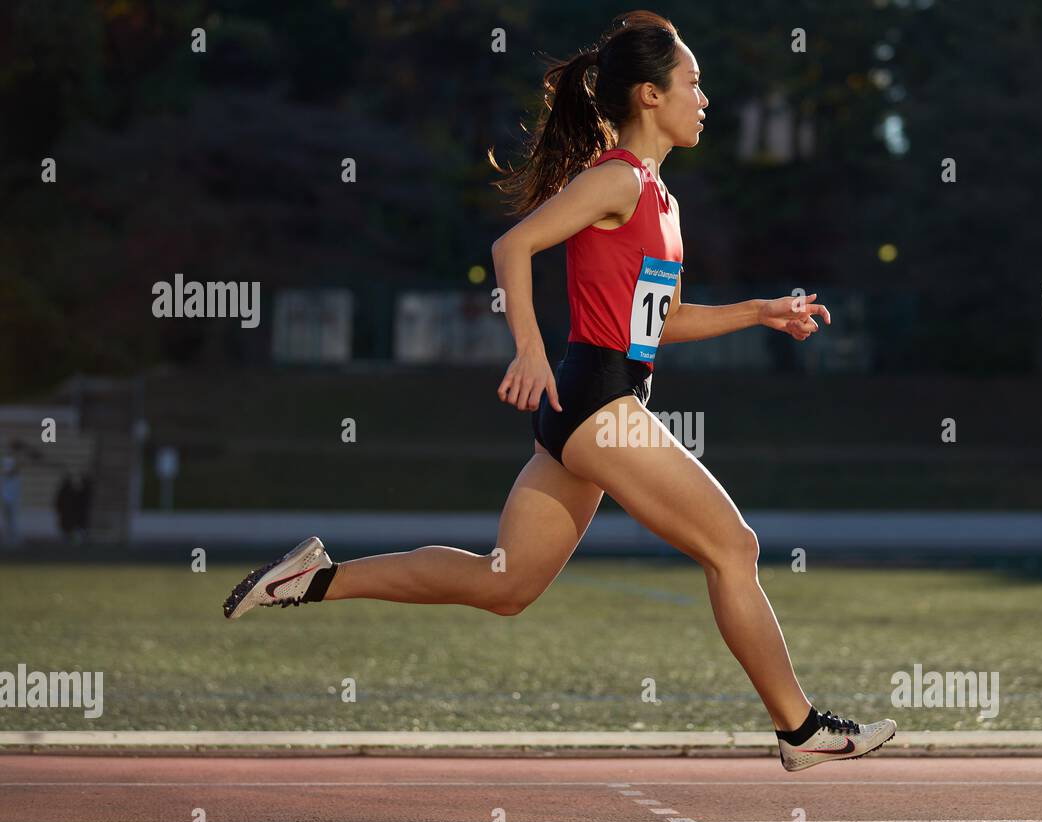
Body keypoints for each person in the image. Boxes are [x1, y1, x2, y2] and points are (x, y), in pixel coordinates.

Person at [222, 11, 895, 772]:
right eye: (694, 83)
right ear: (648, 95)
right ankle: (799, 730)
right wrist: (531, 352)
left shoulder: (661, 201)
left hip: (594, 403)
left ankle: (315, 580)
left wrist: (761, 313)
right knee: (734, 547)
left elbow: (658, 323)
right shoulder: (614, 179)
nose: (705, 98)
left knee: (503, 584)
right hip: (598, 404)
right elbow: (514, 246)